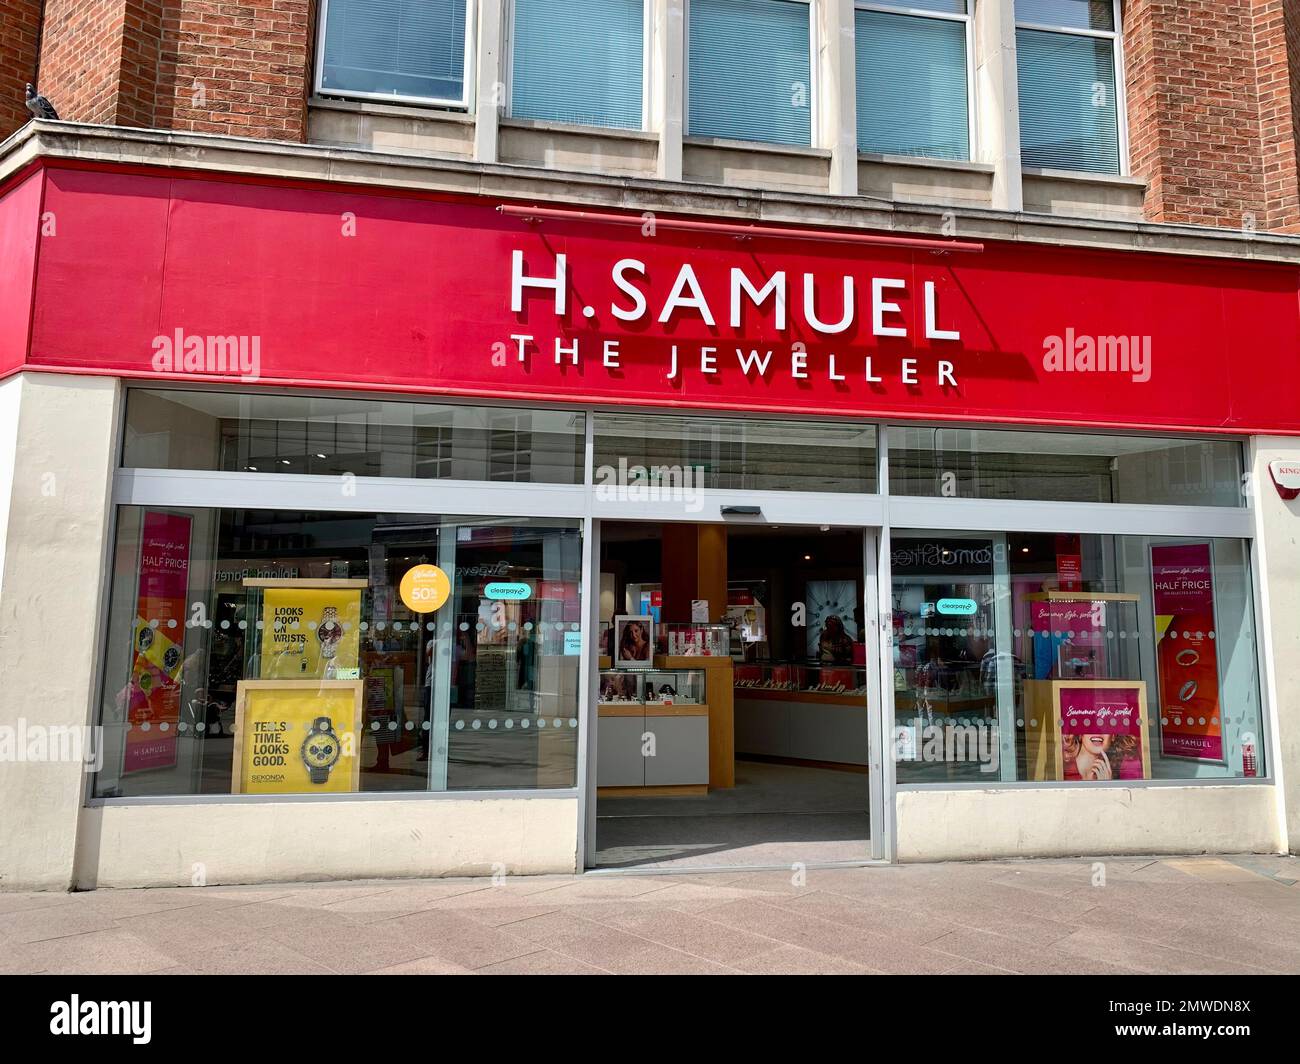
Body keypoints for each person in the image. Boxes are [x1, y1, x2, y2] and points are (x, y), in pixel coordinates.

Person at [1063, 732, 1142, 781]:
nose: (1098, 731)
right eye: (1090, 724)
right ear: (1080, 734)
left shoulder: (1123, 766)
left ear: (1113, 736)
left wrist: (1107, 787)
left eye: (1105, 725)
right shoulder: (1062, 766)